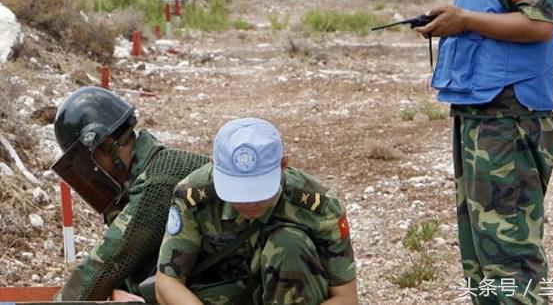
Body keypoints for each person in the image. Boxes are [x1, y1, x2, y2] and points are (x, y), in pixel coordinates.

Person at [418, 0, 553, 305]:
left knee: (510, 257)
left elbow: (538, 24)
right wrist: (451, 24)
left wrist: (465, 20)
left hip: (510, 122)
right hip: (481, 117)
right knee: (481, 259)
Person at [156, 118, 358, 305]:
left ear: (283, 165)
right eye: (237, 191)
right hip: (222, 296)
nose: (249, 202)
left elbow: (346, 298)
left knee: (289, 244)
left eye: (258, 191)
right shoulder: (194, 196)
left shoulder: (319, 207)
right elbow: (167, 283)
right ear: (215, 168)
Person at [50, 86, 209, 301]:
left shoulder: (158, 181)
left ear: (107, 146)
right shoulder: (152, 172)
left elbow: (110, 261)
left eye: (86, 162)